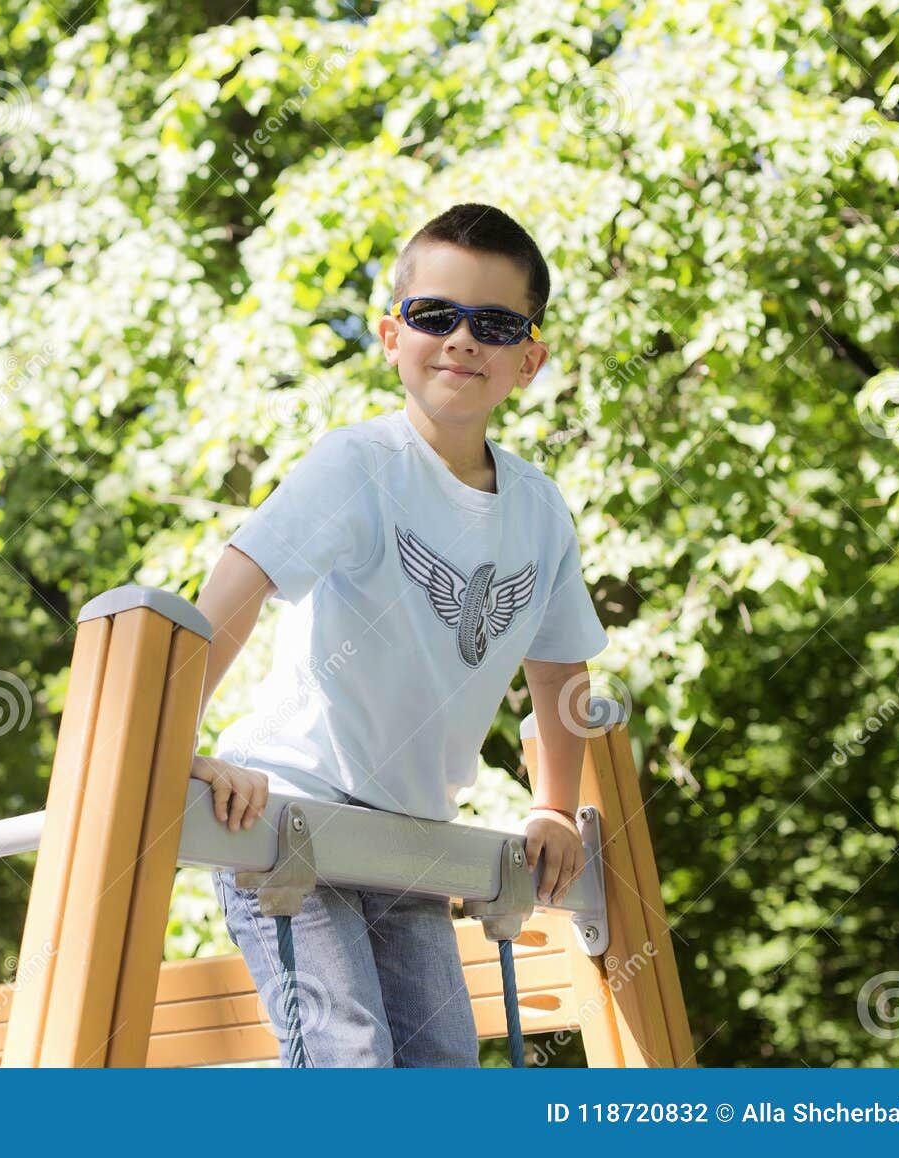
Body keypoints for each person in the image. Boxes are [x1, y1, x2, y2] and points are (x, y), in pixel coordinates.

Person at [190, 202, 609, 1067]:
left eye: (493, 324)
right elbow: (234, 587)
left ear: (528, 359)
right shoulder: (359, 465)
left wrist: (555, 806)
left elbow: (561, 667)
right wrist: (171, 744)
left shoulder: (539, 511)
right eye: (435, 316)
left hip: (410, 842)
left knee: (447, 1072)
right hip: (287, 816)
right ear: (392, 335)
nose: (461, 339)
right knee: (349, 1055)